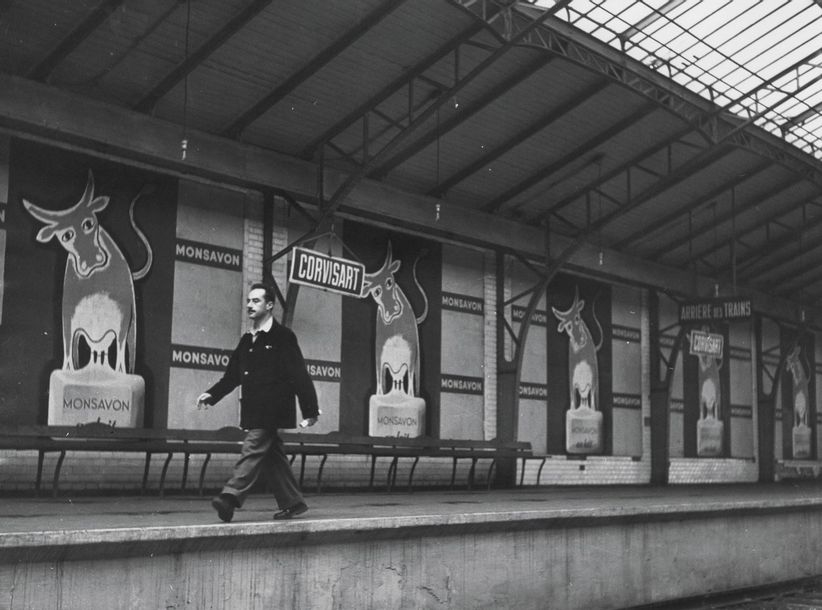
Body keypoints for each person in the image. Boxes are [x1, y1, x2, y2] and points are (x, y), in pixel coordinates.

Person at [197, 282, 320, 522]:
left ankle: (230, 497)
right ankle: (293, 502)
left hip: (274, 409)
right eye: (248, 301)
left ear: (270, 305)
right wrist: (211, 394)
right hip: (254, 409)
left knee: (252, 448)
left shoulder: (283, 337)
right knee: (272, 455)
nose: (249, 305)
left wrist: (310, 410)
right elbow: (232, 376)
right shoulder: (247, 340)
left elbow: (299, 375)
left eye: (256, 301)